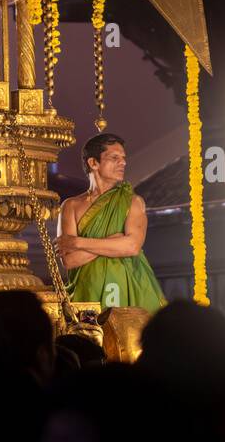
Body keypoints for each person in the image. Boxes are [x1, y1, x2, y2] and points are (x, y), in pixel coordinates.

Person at [56, 131, 166, 313]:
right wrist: (114, 241)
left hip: (129, 290)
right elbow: (69, 260)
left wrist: (78, 242)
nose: (123, 162)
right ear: (93, 163)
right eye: (114, 157)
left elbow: (131, 247)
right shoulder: (71, 206)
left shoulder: (132, 201)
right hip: (87, 291)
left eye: (123, 158)